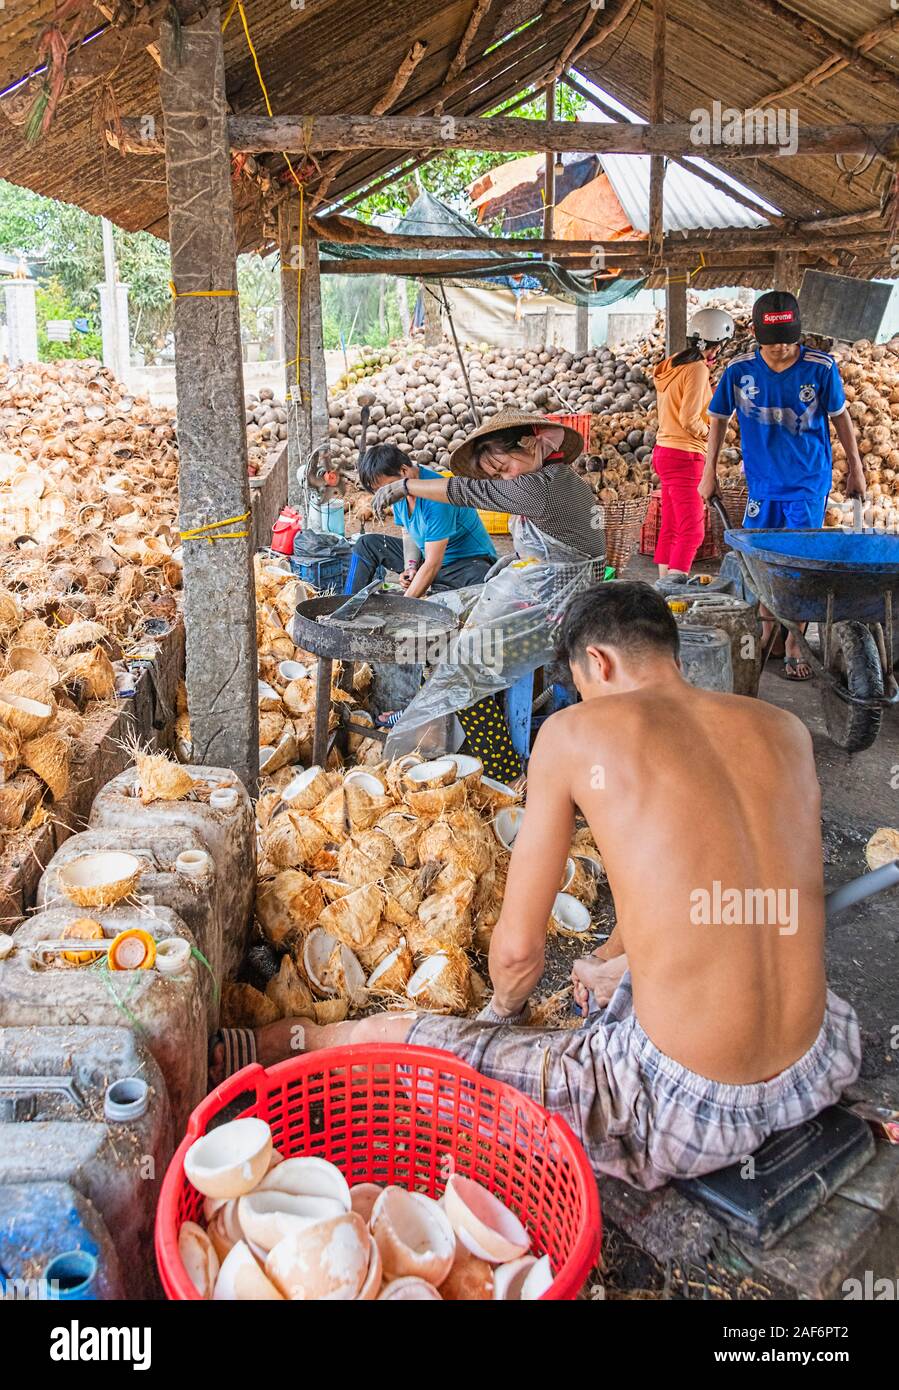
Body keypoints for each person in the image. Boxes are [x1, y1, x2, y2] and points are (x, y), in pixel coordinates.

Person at [211, 583, 861, 1190]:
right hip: (817, 1063)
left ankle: (268, 1047)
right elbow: (709, 872)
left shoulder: (573, 735)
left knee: (405, 1040)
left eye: (578, 684)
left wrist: (497, 1025)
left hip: (682, 1110)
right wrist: (610, 959)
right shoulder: (781, 729)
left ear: (597, 663)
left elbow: (518, 954)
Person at [700, 289, 866, 678]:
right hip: (762, 485)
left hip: (808, 483)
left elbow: (841, 418)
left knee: (800, 565)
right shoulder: (739, 371)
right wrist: (709, 470)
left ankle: (794, 643)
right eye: (773, 346)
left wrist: (855, 467)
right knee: (762, 564)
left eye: (790, 343)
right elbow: (719, 419)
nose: (782, 351)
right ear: (758, 339)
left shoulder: (821, 368)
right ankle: (766, 635)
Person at [370, 409, 605, 566]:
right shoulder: (558, 474)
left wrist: (407, 486)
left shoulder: (539, 488)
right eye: (496, 475)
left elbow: (469, 490)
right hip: (558, 572)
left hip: (570, 588)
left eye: (503, 468)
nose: (504, 479)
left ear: (530, 446)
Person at [346, 443, 497, 597]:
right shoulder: (396, 491)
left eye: (386, 489)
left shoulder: (437, 498)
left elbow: (433, 563)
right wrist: (410, 566)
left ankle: (434, 589)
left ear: (404, 471)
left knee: (474, 586)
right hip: (428, 556)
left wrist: (404, 605)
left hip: (463, 564)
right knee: (366, 544)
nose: (385, 495)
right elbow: (409, 532)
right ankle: (348, 604)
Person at [652, 307, 735, 582]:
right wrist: (710, 433)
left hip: (664, 451)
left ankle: (664, 589)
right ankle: (676, 592)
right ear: (718, 345)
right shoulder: (697, 368)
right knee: (692, 531)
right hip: (685, 454)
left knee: (673, 526)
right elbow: (689, 418)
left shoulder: (672, 364)